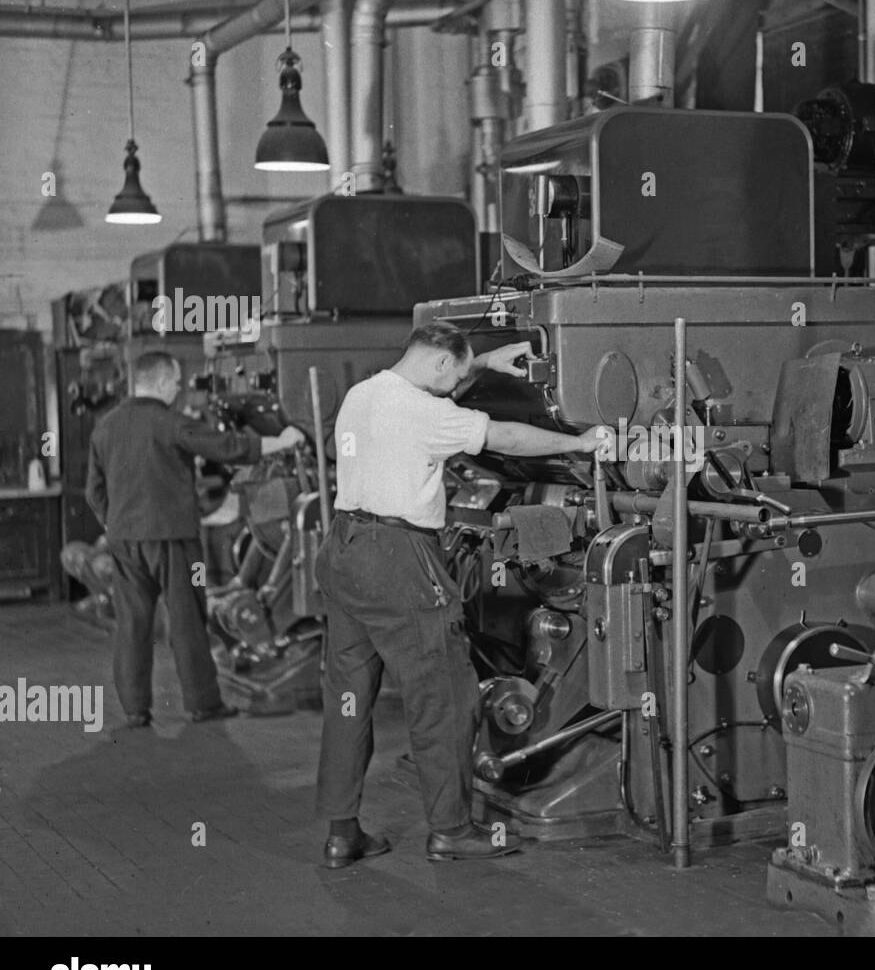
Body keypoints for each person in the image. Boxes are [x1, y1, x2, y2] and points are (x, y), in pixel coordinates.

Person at [316, 320, 612, 867]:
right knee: (446, 697)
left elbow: (442, 377)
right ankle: (451, 831)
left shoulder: (366, 393)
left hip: (344, 549)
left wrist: (485, 362)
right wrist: (580, 442)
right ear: (436, 364)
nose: (457, 385)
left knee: (347, 696)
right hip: (397, 559)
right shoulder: (427, 413)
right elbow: (504, 436)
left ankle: (341, 834)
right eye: (454, 374)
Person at [86, 352, 305, 728]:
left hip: (124, 543)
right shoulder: (172, 423)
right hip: (176, 541)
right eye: (174, 381)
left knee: (131, 625)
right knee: (188, 617)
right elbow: (227, 447)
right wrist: (281, 440)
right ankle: (203, 703)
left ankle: (135, 710)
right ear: (158, 382)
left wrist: (116, 523)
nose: (179, 388)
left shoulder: (105, 427)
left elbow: (94, 490)